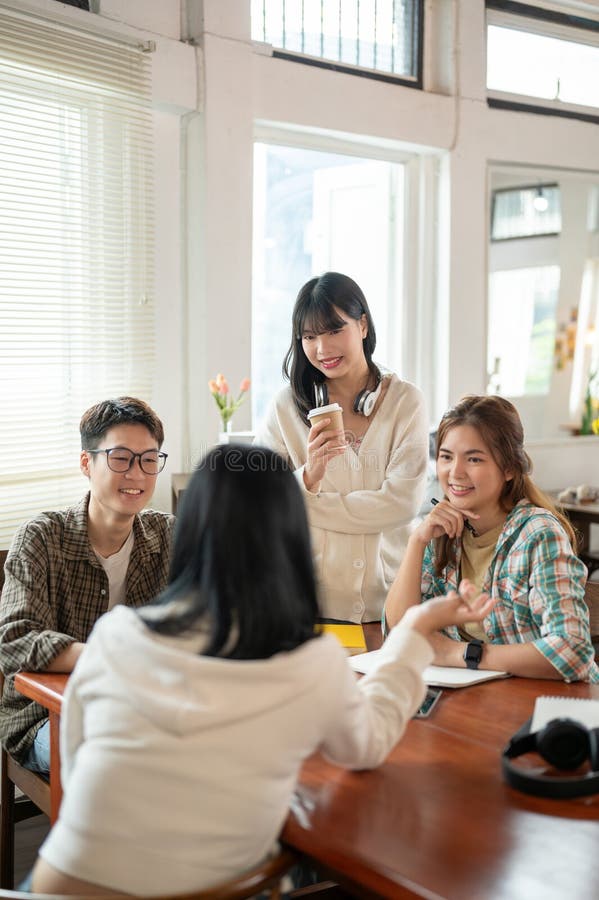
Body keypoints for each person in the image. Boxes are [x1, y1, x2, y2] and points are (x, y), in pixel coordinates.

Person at [31, 444, 495, 897]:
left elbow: (75, 764)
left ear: (191, 531)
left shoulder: (116, 635)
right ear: (289, 537)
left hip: (60, 881)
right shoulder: (310, 662)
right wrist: (414, 630)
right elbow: (365, 745)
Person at [0, 397, 174, 776]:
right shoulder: (42, 537)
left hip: (145, 706)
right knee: (120, 763)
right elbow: (15, 643)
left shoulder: (169, 535)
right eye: (121, 458)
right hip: (48, 716)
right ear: (86, 463)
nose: (137, 474)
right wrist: (112, 655)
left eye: (148, 459)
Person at [384, 394, 599, 682]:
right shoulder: (441, 530)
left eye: (473, 458)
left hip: (546, 706)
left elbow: (572, 652)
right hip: (478, 702)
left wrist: (456, 653)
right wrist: (417, 541)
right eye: (446, 457)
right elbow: (399, 632)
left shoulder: (539, 534)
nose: (455, 472)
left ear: (509, 468)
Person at [255, 272, 429, 623]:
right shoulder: (286, 407)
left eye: (335, 330)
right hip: (309, 603)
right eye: (309, 336)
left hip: (392, 603)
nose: (323, 349)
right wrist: (308, 476)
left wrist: (306, 501)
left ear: (363, 325)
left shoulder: (405, 402)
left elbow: (402, 505)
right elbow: (261, 500)